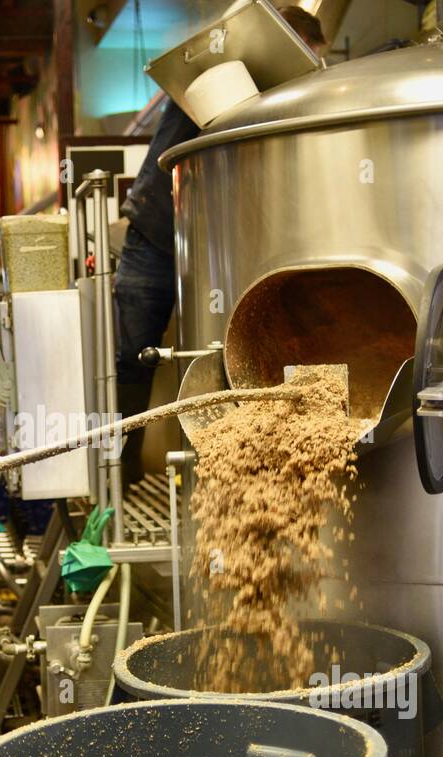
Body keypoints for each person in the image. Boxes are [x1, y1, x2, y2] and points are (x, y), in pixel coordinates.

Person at [114, 4, 327, 483]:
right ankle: (118, 471)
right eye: (307, 57)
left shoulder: (275, 98)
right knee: (132, 357)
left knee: (225, 347)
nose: (308, 70)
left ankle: (233, 468)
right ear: (284, 45)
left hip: (214, 239)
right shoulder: (224, 76)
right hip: (157, 232)